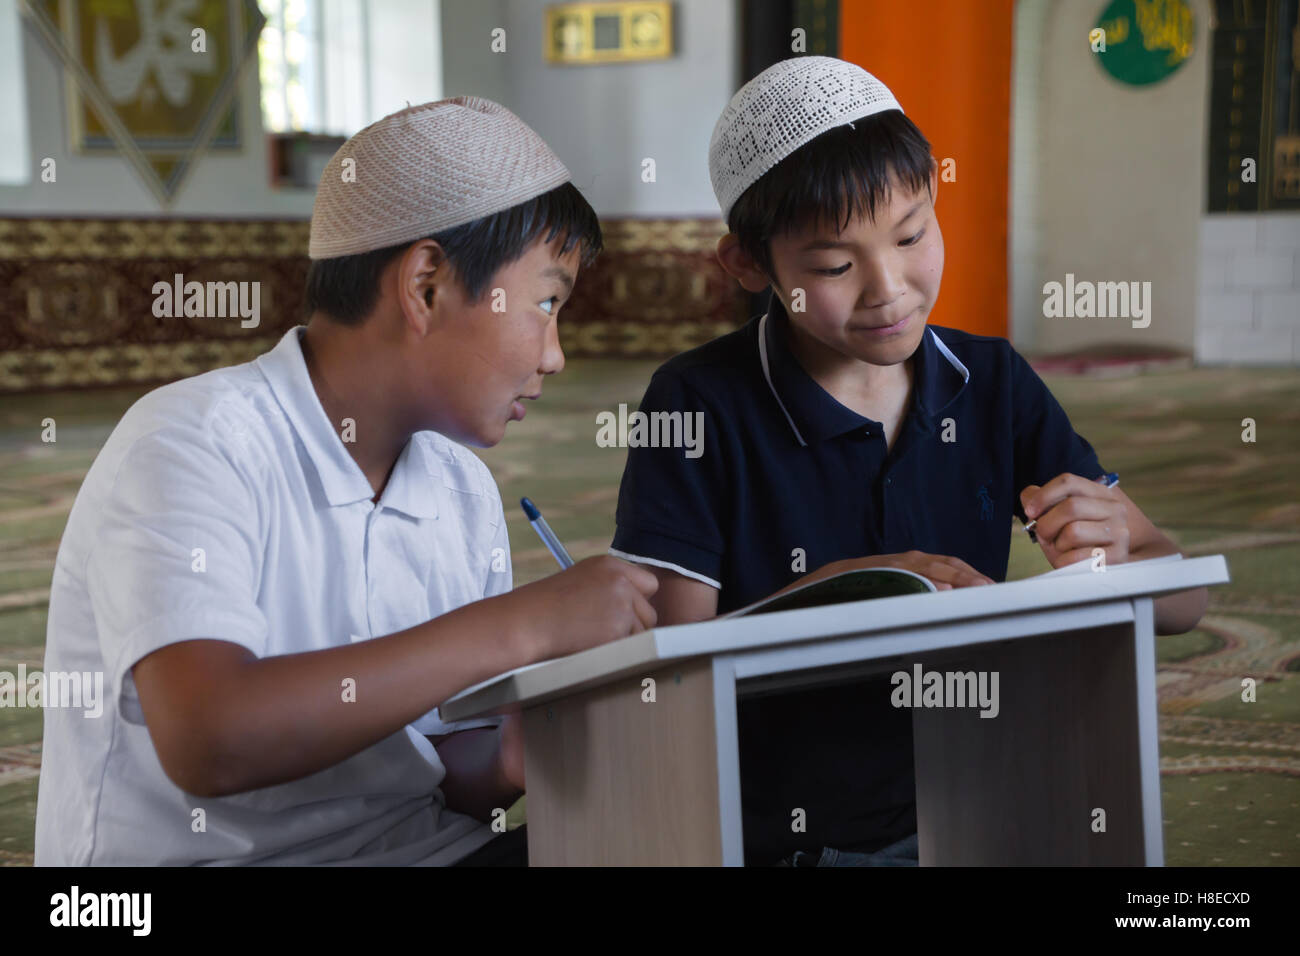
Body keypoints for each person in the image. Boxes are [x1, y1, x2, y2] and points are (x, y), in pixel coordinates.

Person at [609, 57, 1207, 867]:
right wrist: (858, 587)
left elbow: (1184, 605)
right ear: (750, 265)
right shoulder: (697, 404)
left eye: (912, 234)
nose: (888, 289)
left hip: (976, 806)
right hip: (777, 837)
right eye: (832, 266)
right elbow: (672, 673)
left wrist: (1128, 541)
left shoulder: (991, 383)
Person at [35, 97, 657, 866]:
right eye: (545, 303)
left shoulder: (459, 487)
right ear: (426, 285)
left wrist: (509, 759)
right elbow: (210, 738)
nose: (554, 354)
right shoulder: (194, 441)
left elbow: (435, 779)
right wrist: (524, 626)